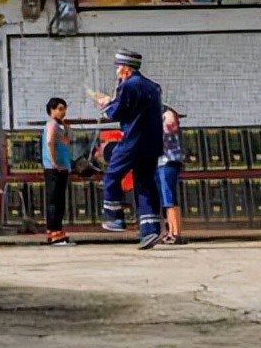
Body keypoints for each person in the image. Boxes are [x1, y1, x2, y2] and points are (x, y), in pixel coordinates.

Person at [90, 50, 163, 250]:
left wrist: (106, 105)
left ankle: (114, 217)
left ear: (125, 68)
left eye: (118, 67)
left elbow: (118, 112)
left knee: (112, 176)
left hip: (132, 141)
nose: (116, 71)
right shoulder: (153, 87)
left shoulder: (128, 86)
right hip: (152, 143)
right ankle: (150, 230)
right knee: (145, 184)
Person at [41, 97, 74, 246]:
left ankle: (58, 229)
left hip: (62, 167)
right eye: (60, 109)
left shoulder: (61, 126)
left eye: (64, 109)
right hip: (54, 168)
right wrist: (54, 161)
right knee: (54, 200)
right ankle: (53, 231)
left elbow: (66, 142)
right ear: (52, 110)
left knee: (60, 200)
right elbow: (49, 142)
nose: (63, 112)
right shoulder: (52, 124)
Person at [157, 107, 185, 245]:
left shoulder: (166, 118)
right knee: (168, 199)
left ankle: (175, 233)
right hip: (167, 163)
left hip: (167, 162)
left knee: (169, 199)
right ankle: (172, 232)